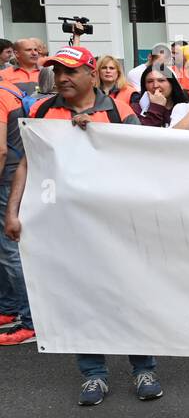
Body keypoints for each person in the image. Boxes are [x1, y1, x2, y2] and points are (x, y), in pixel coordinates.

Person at [4, 45, 165, 399]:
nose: (62, 78)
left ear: (91, 74)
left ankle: (143, 370)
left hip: (116, 228)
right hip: (66, 228)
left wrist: (96, 140)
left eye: (70, 71)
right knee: (80, 299)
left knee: (127, 296)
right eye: (57, 71)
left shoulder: (120, 113)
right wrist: (13, 211)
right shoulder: (43, 111)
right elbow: (28, 164)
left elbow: (143, 163)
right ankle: (93, 373)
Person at [0, 75, 31, 345]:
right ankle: (9, 308)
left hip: (5, 179)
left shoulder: (1, 95)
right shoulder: (9, 89)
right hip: (11, 176)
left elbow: (1, 150)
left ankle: (29, 319)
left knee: (10, 250)